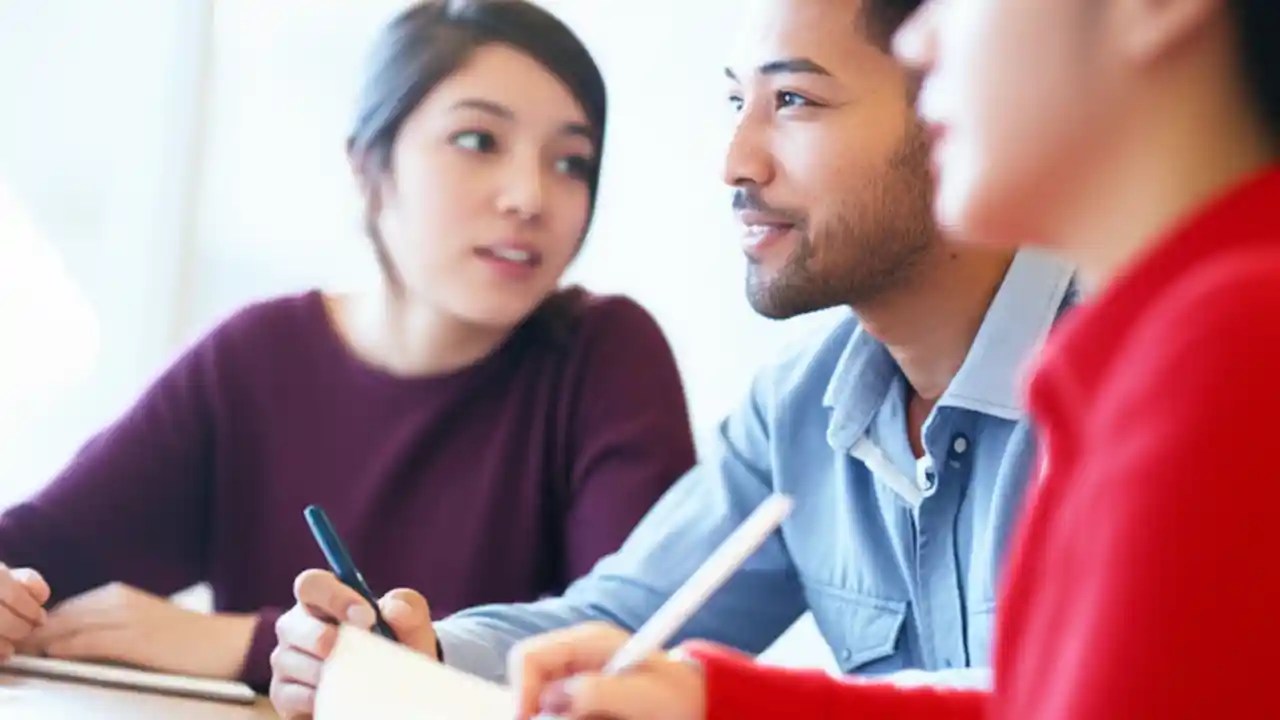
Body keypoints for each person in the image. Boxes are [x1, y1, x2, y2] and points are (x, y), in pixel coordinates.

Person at [268, 0, 1080, 716]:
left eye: (793, 100)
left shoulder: (1130, 380)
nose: (736, 163)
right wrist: (426, 656)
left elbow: (1082, 698)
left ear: (952, 102)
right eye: (737, 101)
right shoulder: (798, 408)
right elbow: (624, 618)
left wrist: (726, 704)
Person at [506, 0, 1280, 717]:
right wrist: (711, 702)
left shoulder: (1231, 347)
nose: (919, 41)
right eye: (738, 102)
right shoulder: (1160, 341)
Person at [0, 0, 696, 691]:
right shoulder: (256, 360)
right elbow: (36, 553)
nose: (530, 196)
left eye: (572, 162)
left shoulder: (608, 356)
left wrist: (245, 640)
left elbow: (633, 653)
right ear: (368, 164)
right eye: (479, 141)